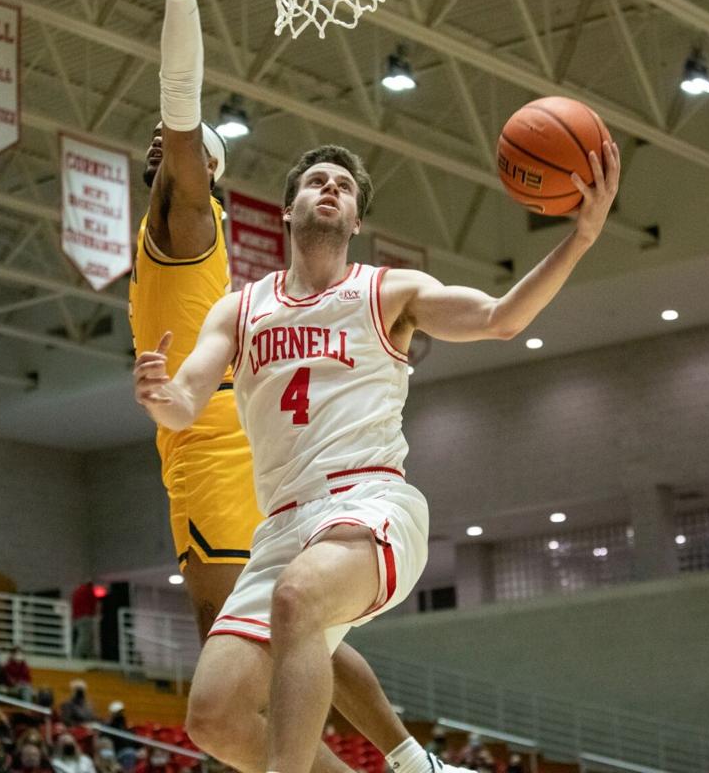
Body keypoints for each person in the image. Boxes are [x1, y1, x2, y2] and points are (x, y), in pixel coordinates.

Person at [134, 122, 618, 773]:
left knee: (297, 599)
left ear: (356, 219)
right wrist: (157, 392)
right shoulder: (241, 310)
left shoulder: (389, 293)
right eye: (315, 182)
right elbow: (187, 400)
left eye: (342, 186)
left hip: (372, 505)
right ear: (287, 209)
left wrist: (582, 238)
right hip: (282, 530)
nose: (329, 189)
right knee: (215, 718)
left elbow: (501, 318)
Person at [129, 0, 505, 773]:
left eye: (184, 151)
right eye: (161, 152)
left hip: (238, 437)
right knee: (268, 660)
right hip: (191, 452)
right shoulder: (155, 237)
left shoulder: (187, 220)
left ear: (207, 169)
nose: (163, 151)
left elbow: (180, 101)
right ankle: (407, 762)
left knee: (289, 622)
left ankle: (408, 757)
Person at [68, 584, 99, 660]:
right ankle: (78, 655)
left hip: (77, 617)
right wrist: (94, 613)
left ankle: (87, 654)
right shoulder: (88, 591)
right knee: (85, 637)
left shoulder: (77, 591)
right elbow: (93, 603)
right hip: (85, 616)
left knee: (83, 636)